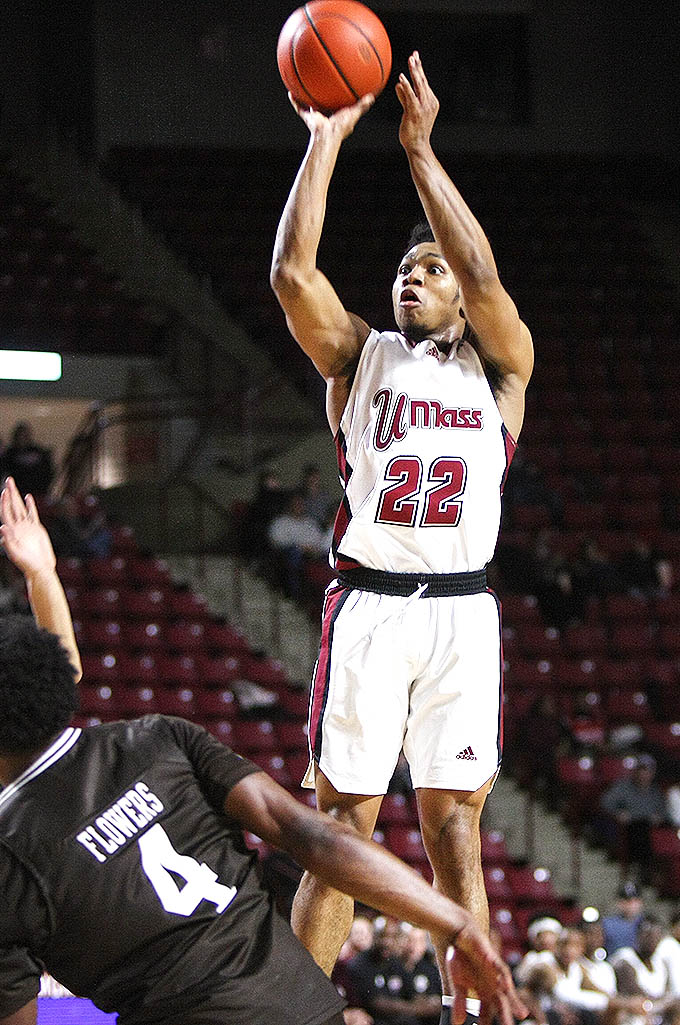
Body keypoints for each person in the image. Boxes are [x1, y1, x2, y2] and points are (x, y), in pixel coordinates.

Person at [0, 494, 523, 1025]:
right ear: (59, 686)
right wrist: (454, 920)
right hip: (302, 1008)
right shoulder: (156, 741)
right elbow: (314, 836)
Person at [269, 50, 534, 1019]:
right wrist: (326, 142)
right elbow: (291, 272)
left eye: (428, 268)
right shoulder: (358, 357)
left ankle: (478, 1006)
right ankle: (296, 1004)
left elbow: (483, 269)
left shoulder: (500, 367)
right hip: (372, 604)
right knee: (343, 822)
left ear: (459, 300)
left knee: (454, 827)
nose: (412, 278)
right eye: (400, 269)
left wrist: (421, 154)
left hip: (463, 609)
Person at [599, 754, 666, 876]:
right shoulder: (623, 787)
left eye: (648, 770)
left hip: (650, 826)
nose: (644, 774)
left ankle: (651, 870)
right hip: (630, 826)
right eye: (641, 770)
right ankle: (639, 867)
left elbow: (663, 810)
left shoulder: (655, 791)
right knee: (639, 829)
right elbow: (606, 801)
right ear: (636, 771)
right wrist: (618, 813)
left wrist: (659, 816)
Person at [602, 881, 646, 958]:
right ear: (619, 902)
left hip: (640, 966)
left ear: (640, 902)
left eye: (634, 900)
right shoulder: (607, 924)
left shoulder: (646, 923)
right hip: (612, 964)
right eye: (627, 900)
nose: (631, 904)